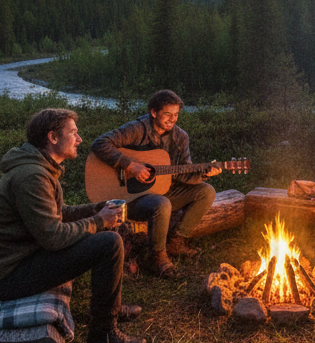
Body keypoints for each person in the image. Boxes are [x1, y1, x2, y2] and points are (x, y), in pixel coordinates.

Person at [0, 108, 149, 343]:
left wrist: (94, 209)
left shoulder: (39, 168)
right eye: (74, 133)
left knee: (101, 238)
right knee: (108, 243)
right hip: (7, 277)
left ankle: (109, 308)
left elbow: (56, 213)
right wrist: (99, 221)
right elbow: (54, 236)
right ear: (53, 138)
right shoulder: (32, 176)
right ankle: (103, 341)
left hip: (20, 261)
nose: (79, 139)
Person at [89, 89, 220, 278]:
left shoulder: (180, 137)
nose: (172, 119)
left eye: (175, 115)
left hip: (163, 191)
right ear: (153, 112)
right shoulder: (137, 129)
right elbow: (100, 143)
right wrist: (130, 165)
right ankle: (157, 256)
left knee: (206, 191)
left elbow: (184, 173)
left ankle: (177, 240)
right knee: (162, 203)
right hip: (131, 196)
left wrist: (204, 174)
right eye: (167, 114)